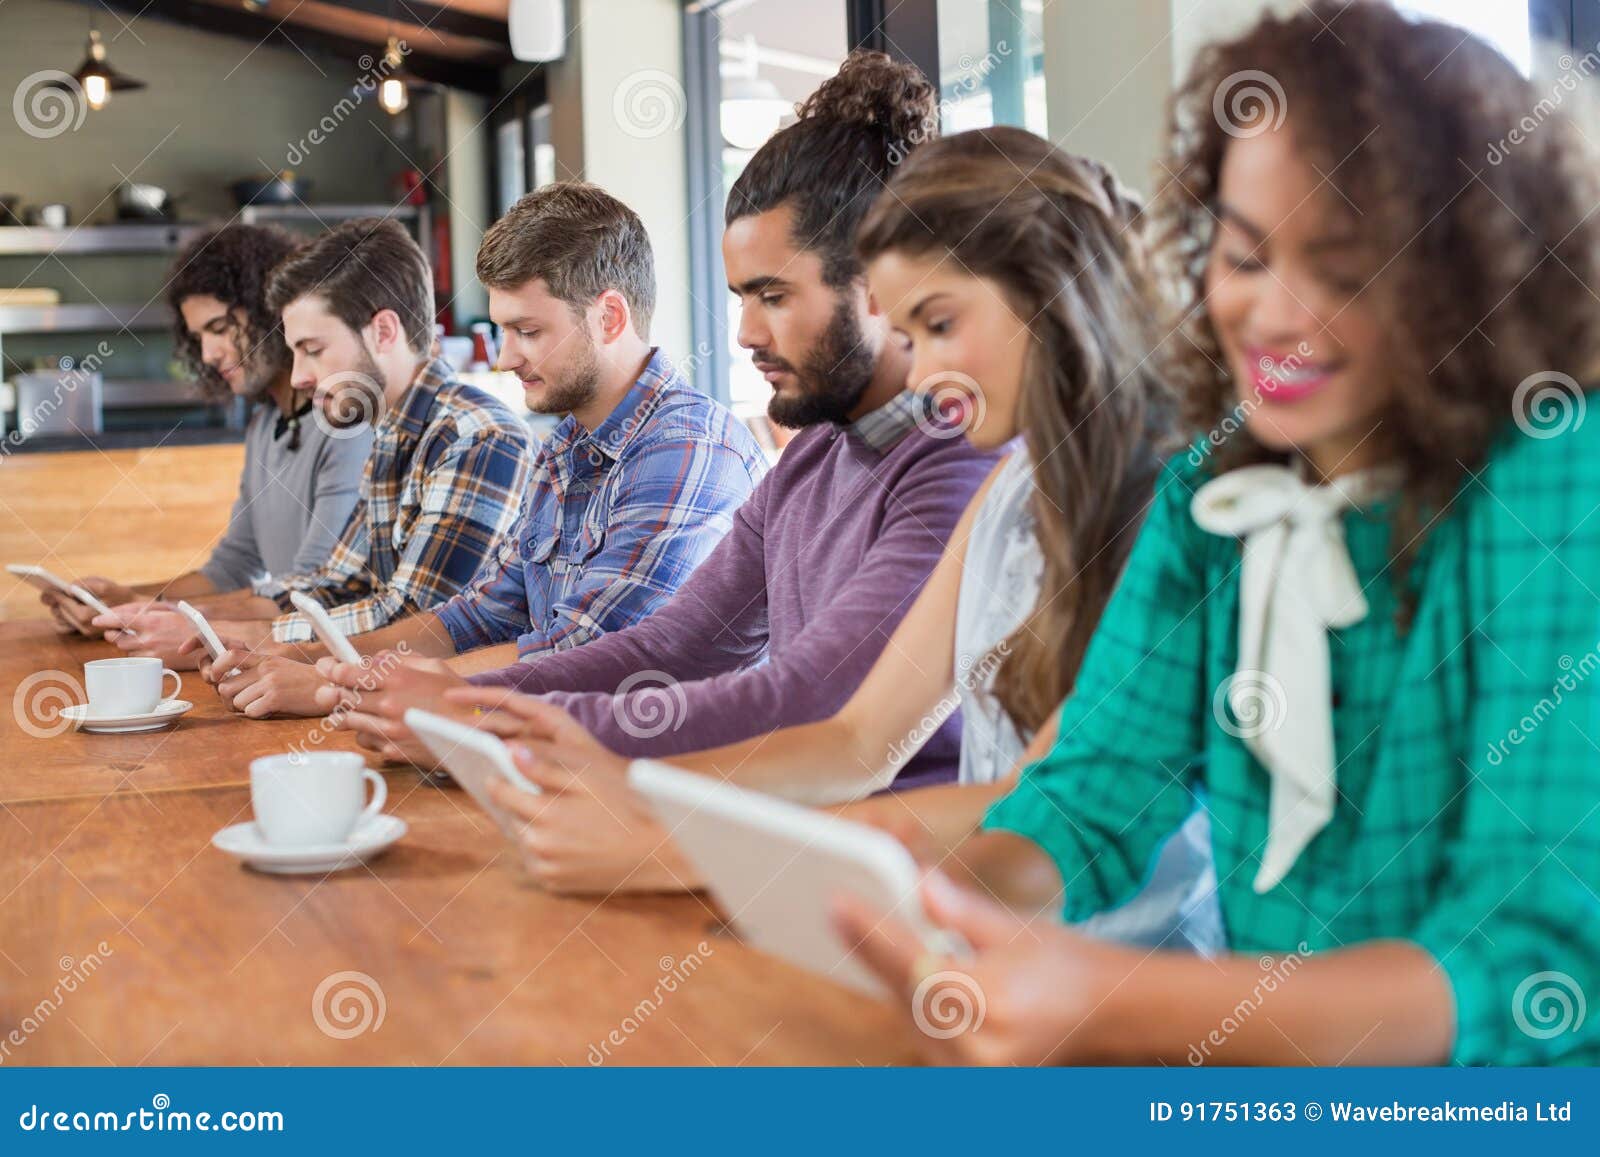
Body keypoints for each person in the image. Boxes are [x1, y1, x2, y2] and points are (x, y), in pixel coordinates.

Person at [838, 1, 1600, 1066]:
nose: (1273, 314)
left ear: (1468, 270)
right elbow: (1090, 799)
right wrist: (924, 895)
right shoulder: (1216, 490)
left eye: (1341, 267)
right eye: (1244, 256)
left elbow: (1532, 967)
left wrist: (1105, 1002)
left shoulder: (1558, 476)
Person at [442, 129, 1220, 943]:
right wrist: (628, 790)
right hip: (983, 943)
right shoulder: (1006, 490)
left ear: (1049, 294)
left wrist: (669, 835)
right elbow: (857, 739)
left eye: (940, 324)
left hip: (1112, 975)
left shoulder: (1160, 506)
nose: (922, 376)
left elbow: (1038, 810)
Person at [318, 50, 997, 793]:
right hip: (792, 830)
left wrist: (479, 714)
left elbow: (809, 699)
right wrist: (466, 703)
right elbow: (672, 647)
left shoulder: (957, 460)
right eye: (741, 298)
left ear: (879, 283)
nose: (746, 334)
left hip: (891, 850)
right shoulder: (812, 457)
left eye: (773, 296)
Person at [200, 183, 767, 717]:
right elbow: (478, 614)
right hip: (553, 752)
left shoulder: (687, 447)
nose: (504, 358)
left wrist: (347, 686)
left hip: (663, 773)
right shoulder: (564, 446)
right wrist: (311, 660)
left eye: (528, 332)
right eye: (503, 331)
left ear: (609, 318)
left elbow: (586, 653)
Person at [94, 218, 534, 663]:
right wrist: (190, 621)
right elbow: (335, 585)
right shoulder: (392, 434)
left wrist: (230, 636)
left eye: (313, 350)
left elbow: (414, 622)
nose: (299, 376)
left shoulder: (476, 436)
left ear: (383, 332)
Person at [40, 224, 371, 633]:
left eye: (219, 329)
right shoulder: (265, 426)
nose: (209, 354)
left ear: (272, 312)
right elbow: (232, 568)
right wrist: (122, 600)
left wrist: (145, 612)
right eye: (198, 337)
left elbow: (312, 587)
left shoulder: (346, 425)